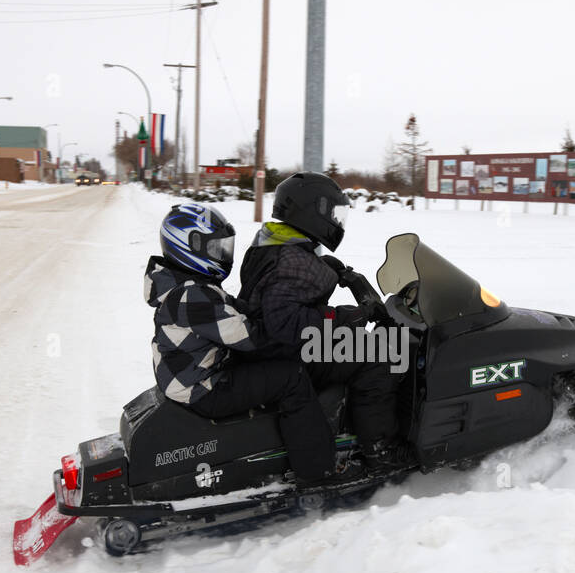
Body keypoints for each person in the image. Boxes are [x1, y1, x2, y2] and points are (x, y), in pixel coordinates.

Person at [145, 203, 334, 483]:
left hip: (195, 372)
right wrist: (311, 320)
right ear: (188, 246)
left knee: (274, 366)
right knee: (291, 377)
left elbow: (235, 309)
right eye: (214, 248)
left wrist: (275, 309)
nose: (221, 255)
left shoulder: (185, 285)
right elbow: (250, 337)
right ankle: (317, 472)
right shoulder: (191, 297)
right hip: (203, 388)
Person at [237, 171, 411, 472]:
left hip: (267, 347)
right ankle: (380, 450)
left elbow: (285, 283)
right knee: (383, 355)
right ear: (311, 210)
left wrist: (335, 269)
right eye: (333, 213)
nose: (337, 221)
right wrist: (351, 316)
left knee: (368, 348)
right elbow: (286, 322)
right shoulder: (293, 261)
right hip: (285, 351)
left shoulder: (272, 240)